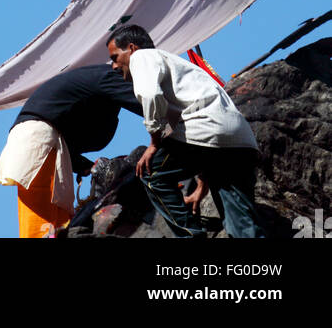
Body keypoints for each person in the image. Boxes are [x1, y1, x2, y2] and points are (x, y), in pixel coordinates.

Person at [107, 23, 263, 238]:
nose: (114, 66)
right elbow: (202, 138)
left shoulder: (143, 57)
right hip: (240, 140)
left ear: (132, 48)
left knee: (152, 173)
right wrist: (201, 187)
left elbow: (151, 95)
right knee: (242, 224)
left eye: (115, 57)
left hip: (206, 129)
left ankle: (190, 236)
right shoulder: (183, 70)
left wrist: (154, 143)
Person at [0, 63, 143, 238]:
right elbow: (148, 106)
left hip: (43, 143)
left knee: (60, 225)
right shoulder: (110, 76)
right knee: (42, 228)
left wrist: (86, 166)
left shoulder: (93, 81)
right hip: (39, 140)